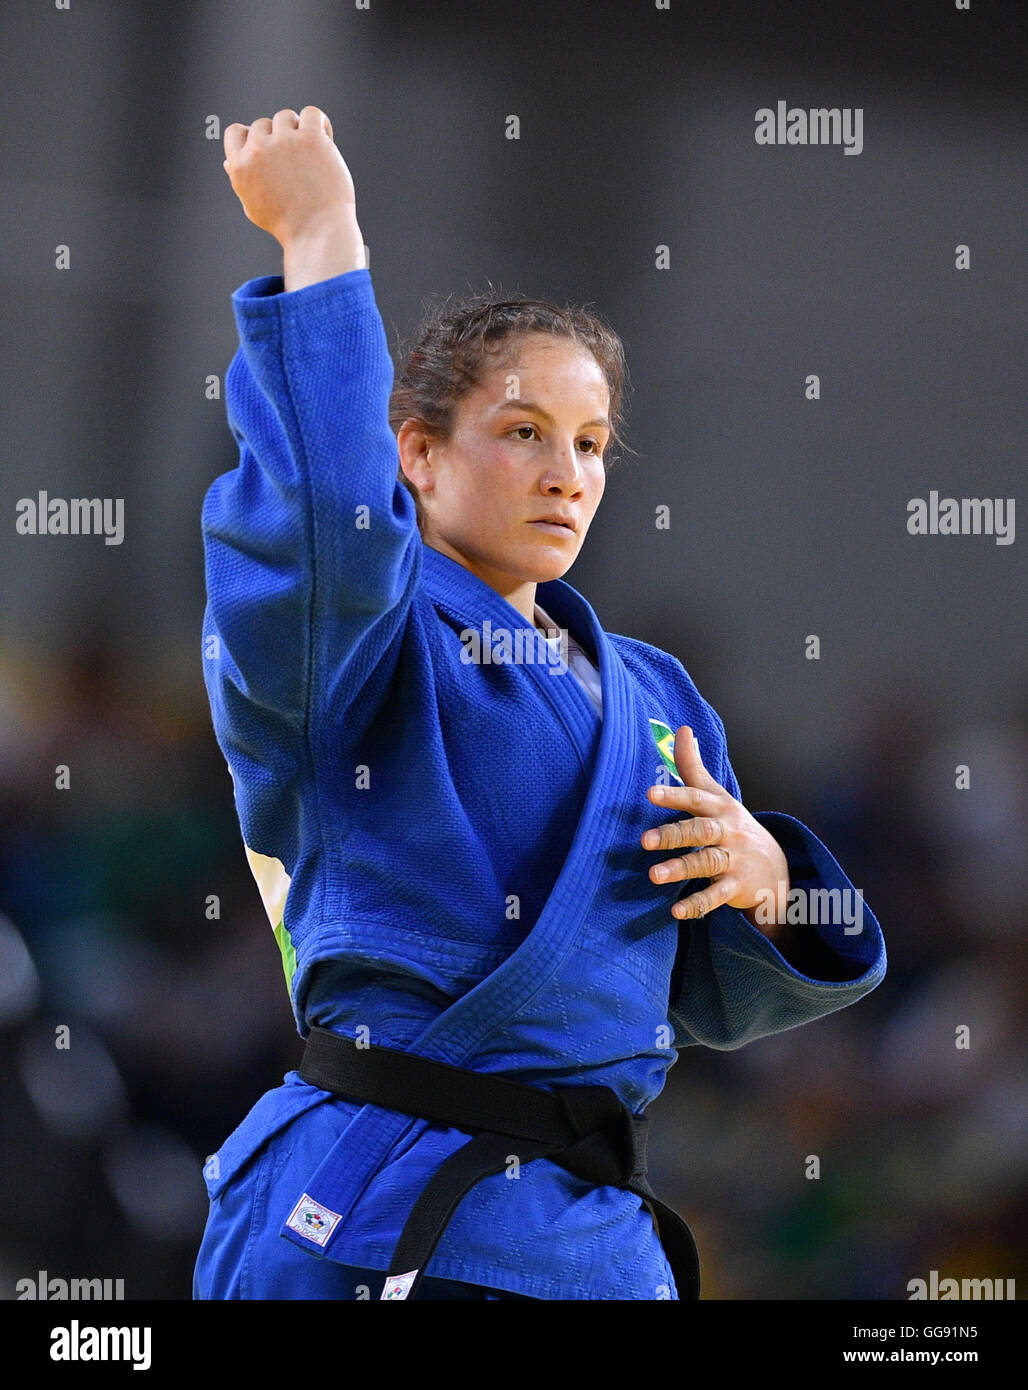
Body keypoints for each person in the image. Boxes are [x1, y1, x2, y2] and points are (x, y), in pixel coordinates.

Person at [193, 105, 886, 1301]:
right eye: (523, 432)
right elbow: (323, 529)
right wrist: (321, 235)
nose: (568, 473)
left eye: (592, 443)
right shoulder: (362, 640)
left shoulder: (654, 693)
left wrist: (769, 878)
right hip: (377, 1210)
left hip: (589, 1246)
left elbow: (702, 986)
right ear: (413, 453)